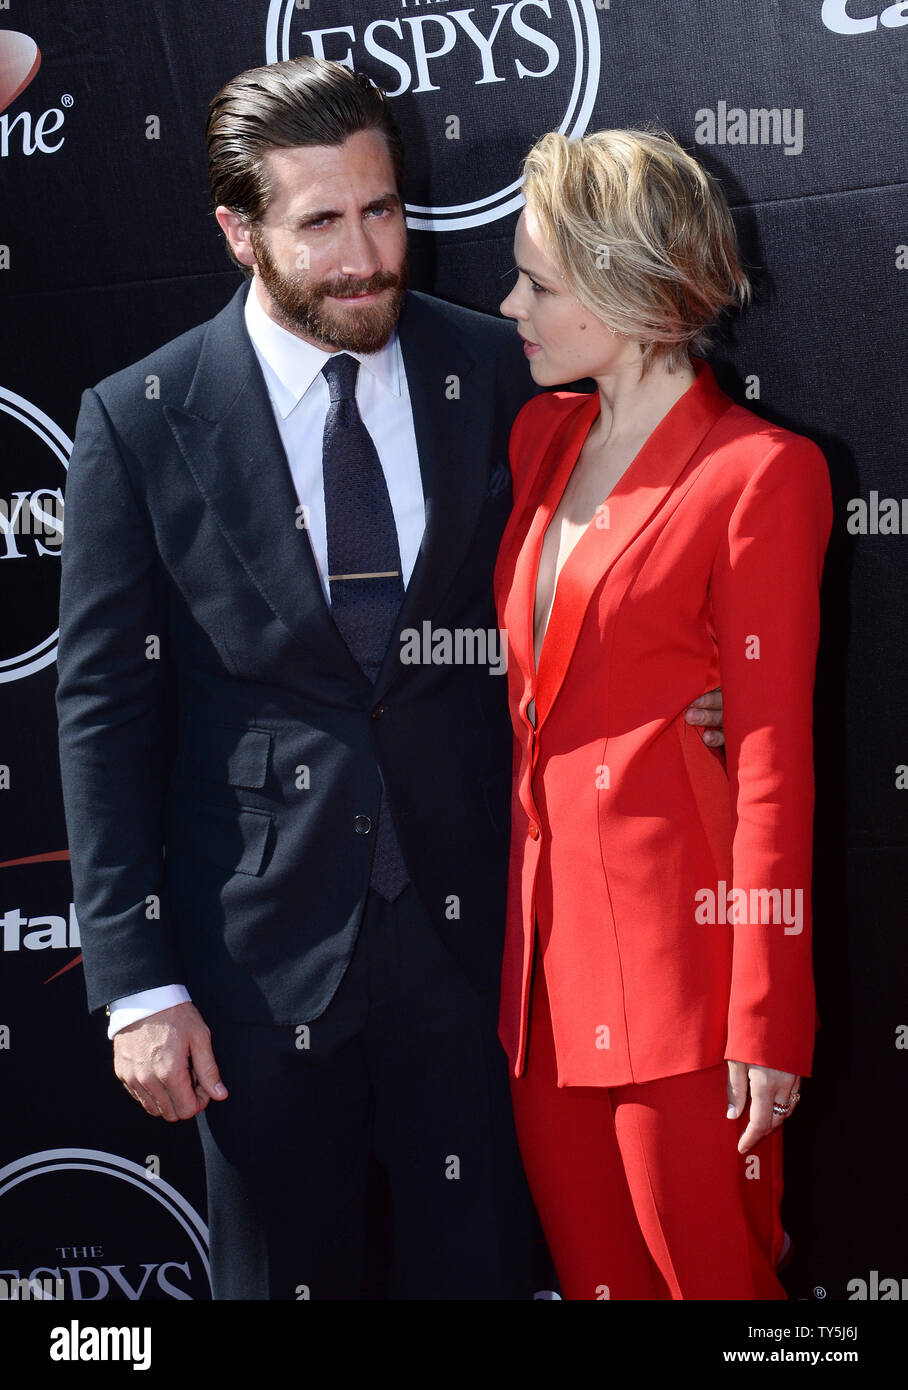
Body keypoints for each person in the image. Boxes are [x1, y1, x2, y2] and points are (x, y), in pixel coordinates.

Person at [55, 58, 724, 1301]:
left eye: (380, 209)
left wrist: (693, 683)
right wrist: (136, 984)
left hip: (481, 947)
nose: (366, 255)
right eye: (319, 223)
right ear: (236, 232)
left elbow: (612, 571)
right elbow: (101, 712)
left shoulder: (498, 371)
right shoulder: (142, 417)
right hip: (254, 964)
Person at [494, 128, 832, 1300]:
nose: (510, 305)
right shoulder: (542, 441)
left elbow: (775, 764)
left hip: (689, 993)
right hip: (542, 986)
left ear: (623, 288)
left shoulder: (758, 475)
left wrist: (764, 1016)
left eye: (536, 282)